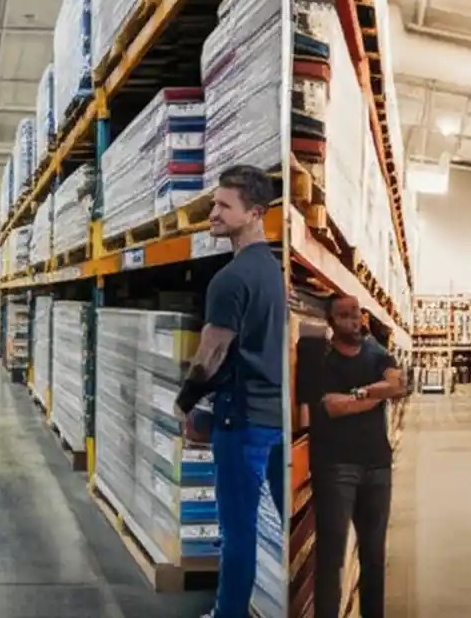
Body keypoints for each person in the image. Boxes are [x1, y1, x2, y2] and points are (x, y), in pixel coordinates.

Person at [174, 164, 285, 618]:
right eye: (213, 203)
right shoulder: (274, 270)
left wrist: (185, 400)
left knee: (237, 531)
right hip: (274, 417)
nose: (212, 213)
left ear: (255, 213)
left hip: (240, 421)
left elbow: (211, 354)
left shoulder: (231, 279)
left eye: (223, 206)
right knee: (276, 514)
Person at [297, 294, 404, 618]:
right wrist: (374, 394)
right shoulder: (321, 358)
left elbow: (397, 384)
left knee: (374, 555)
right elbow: (330, 405)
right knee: (331, 557)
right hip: (335, 467)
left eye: (356, 313)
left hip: (377, 467)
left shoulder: (376, 352)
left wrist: (357, 395)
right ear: (330, 322)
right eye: (343, 315)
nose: (353, 321)